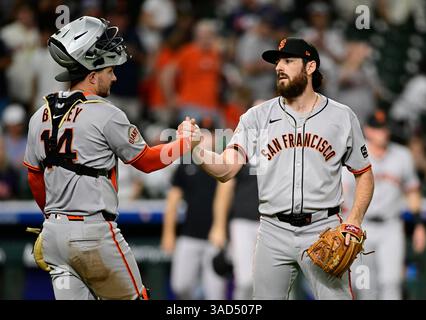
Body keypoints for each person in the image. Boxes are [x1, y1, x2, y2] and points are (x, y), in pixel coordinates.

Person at [182, 37, 375, 300]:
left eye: (288, 61)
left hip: (323, 228)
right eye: (277, 62)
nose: (278, 67)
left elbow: (363, 173)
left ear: (310, 67)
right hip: (273, 231)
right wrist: (196, 150)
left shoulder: (341, 116)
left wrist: (354, 220)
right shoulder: (256, 117)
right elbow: (226, 169)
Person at [23, 16, 196, 300]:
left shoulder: (38, 115)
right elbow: (146, 161)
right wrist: (184, 143)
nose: (114, 77)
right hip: (93, 234)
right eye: (109, 71)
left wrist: (53, 218)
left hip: (53, 235)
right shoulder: (106, 112)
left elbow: (34, 176)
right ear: (92, 75)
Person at [343, 111, 426, 300]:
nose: (383, 132)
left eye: (384, 128)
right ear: (368, 131)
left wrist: (419, 225)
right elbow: (341, 194)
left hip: (391, 227)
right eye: (378, 128)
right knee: (365, 287)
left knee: (392, 284)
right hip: (362, 227)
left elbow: (412, 191)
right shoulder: (353, 153)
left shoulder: (402, 155)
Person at [161, 128, 227, 300]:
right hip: (189, 234)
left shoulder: (224, 163)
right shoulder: (185, 164)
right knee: (180, 286)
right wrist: (168, 233)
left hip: (215, 239)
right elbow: (173, 200)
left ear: (215, 137)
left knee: (215, 294)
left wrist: (223, 231)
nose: (205, 138)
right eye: (202, 133)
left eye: (209, 134)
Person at [210, 163, 260, 299]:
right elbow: (224, 188)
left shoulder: (278, 146)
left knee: (273, 282)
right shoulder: (242, 146)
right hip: (242, 222)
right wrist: (219, 226)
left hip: (272, 222)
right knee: (245, 281)